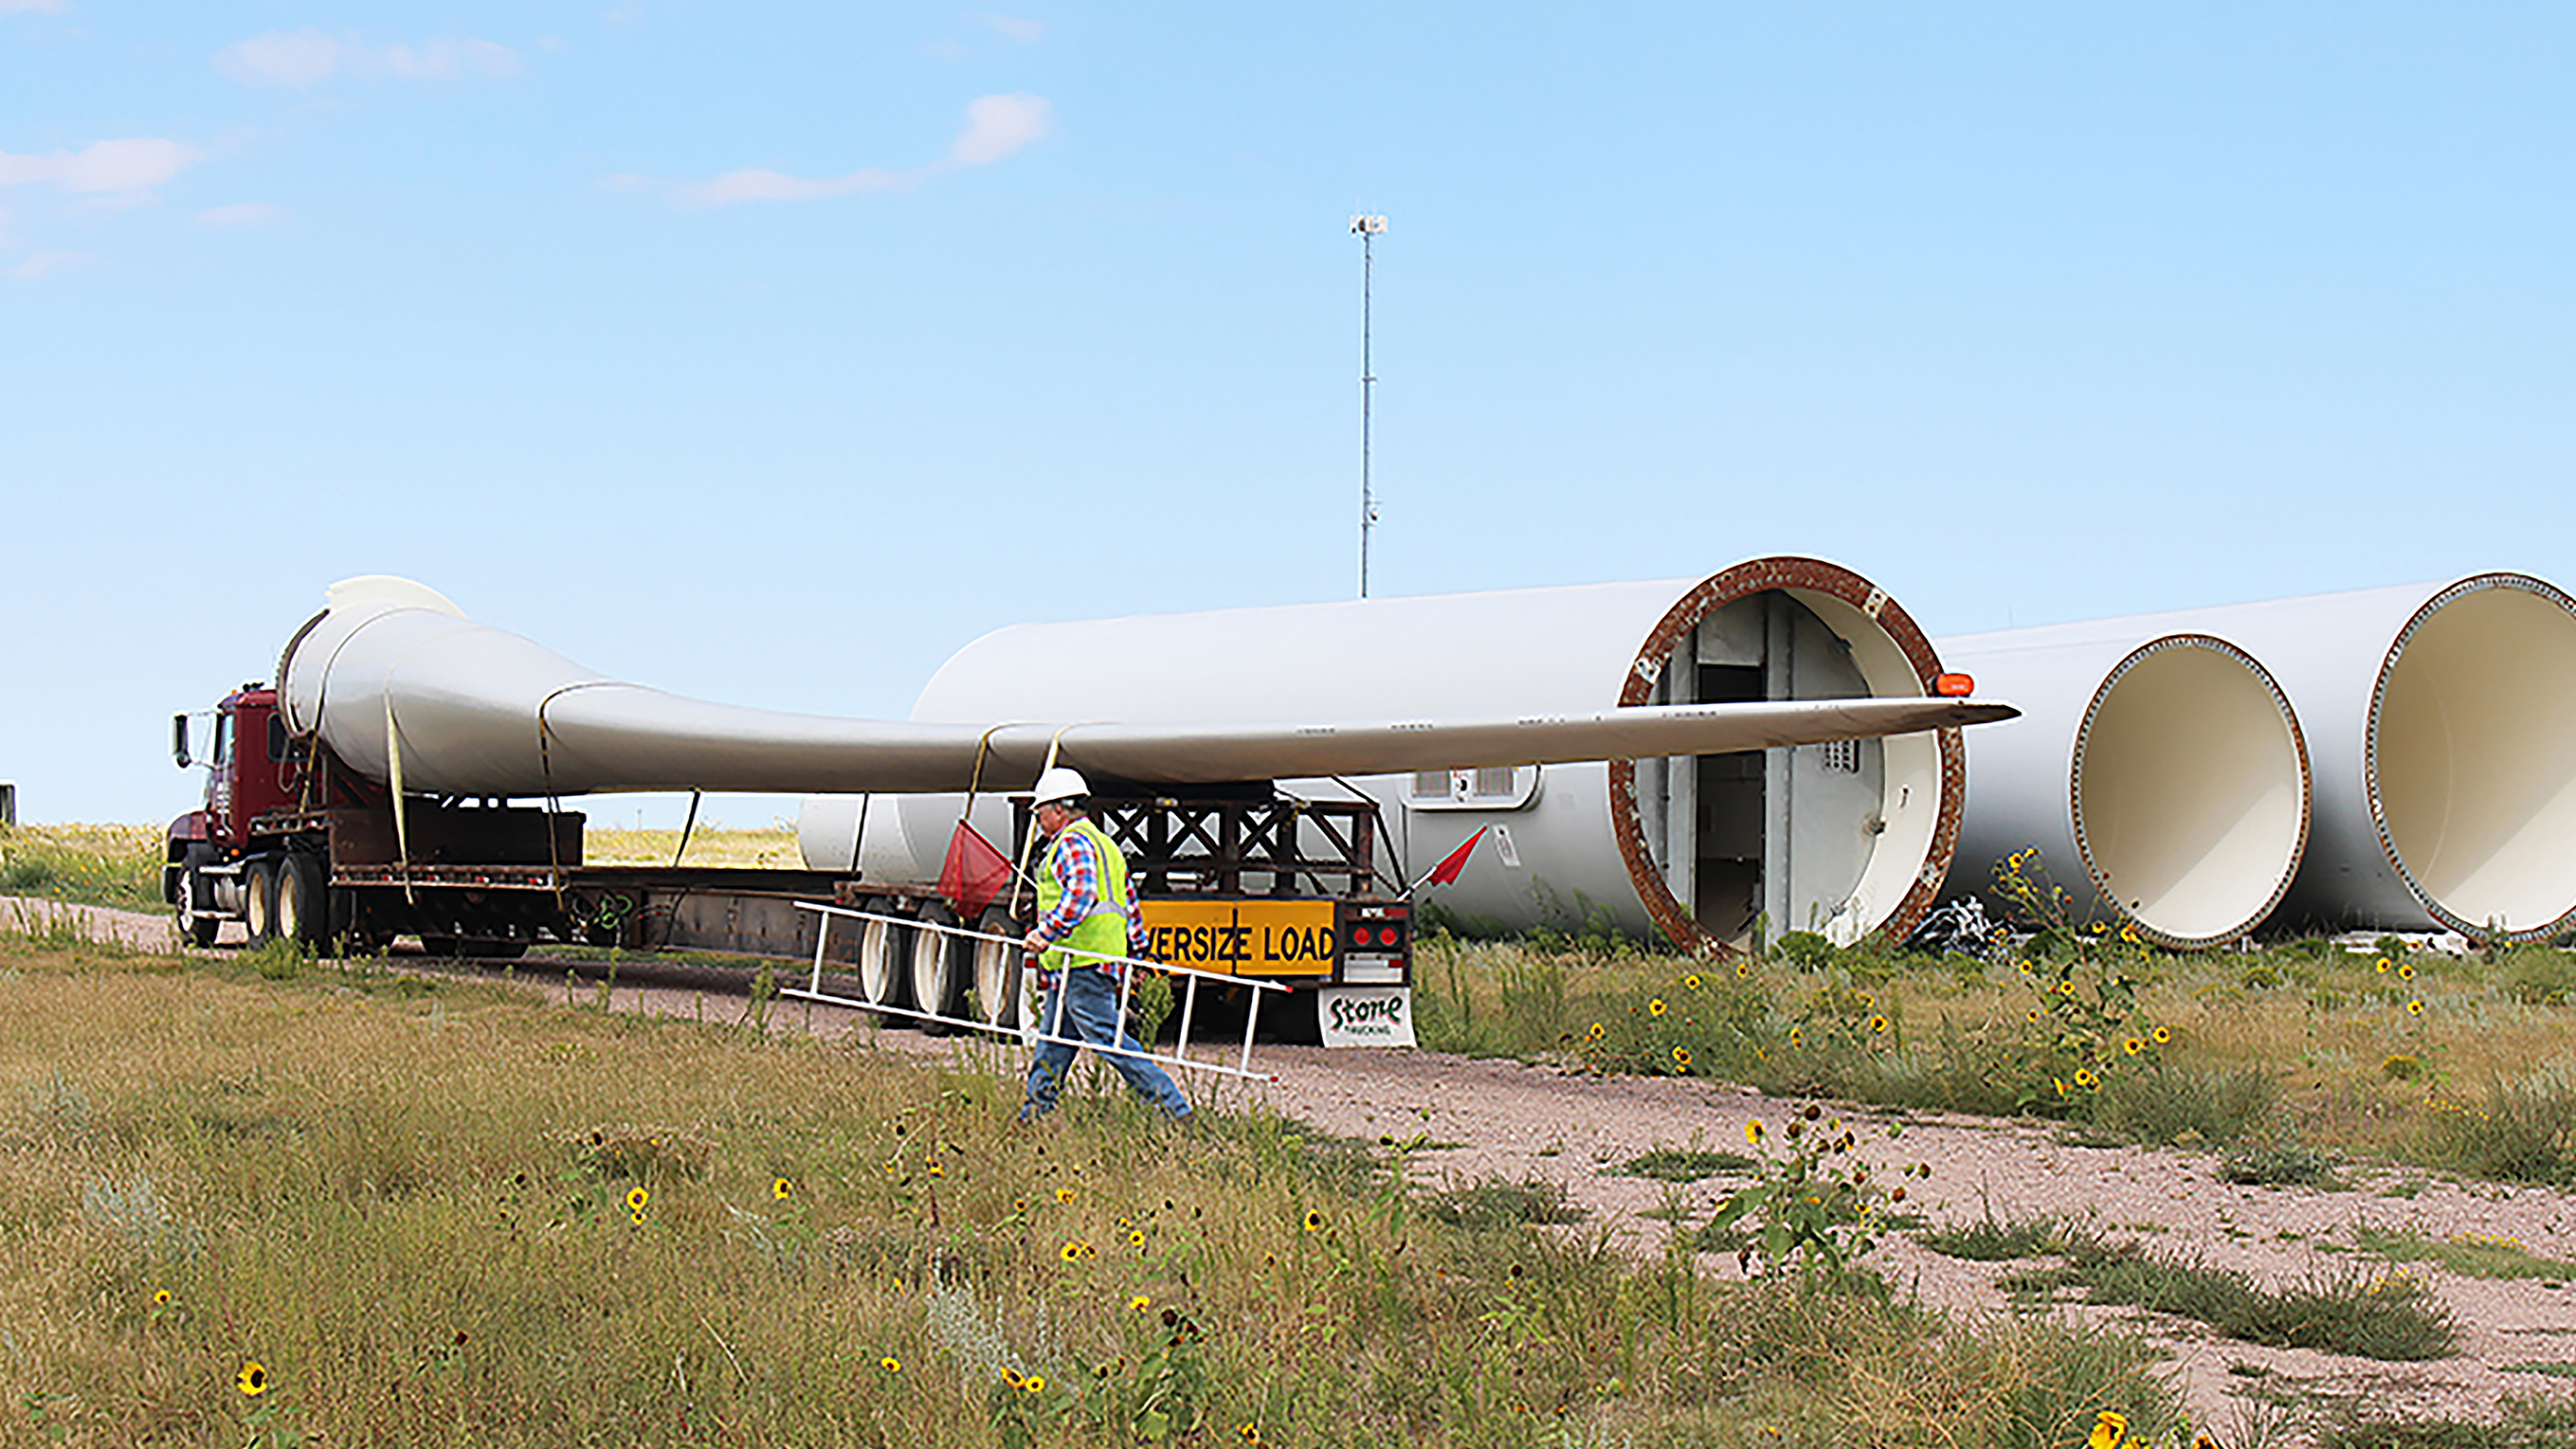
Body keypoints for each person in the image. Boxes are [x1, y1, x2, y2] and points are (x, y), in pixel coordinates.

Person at [1018, 767, 1192, 1122]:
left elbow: (1081, 896)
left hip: (1081, 961)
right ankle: (1034, 1115)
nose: (1038, 820)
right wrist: (1140, 955)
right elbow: (1129, 904)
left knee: (1107, 1039)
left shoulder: (1071, 844)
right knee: (1052, 1045)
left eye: (1040, 812)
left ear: (1059, 810)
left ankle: (1173, 1109)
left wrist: (1043, 933)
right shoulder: (1106, 846)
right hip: (1078, 964)